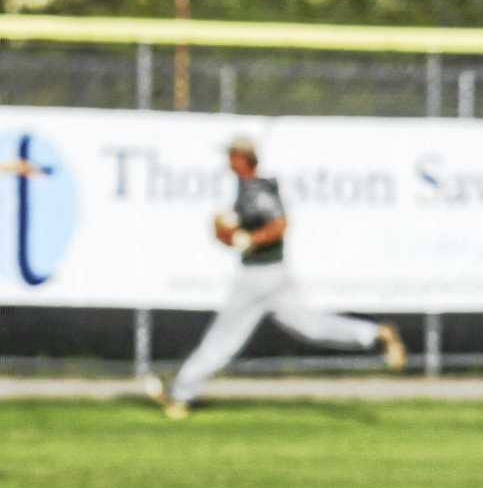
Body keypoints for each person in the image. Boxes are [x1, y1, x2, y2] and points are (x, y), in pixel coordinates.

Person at [143, 135, 404, 420]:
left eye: (231, 156)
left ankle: (180, 395)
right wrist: (229, 235)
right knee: (310, 326)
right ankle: (374, 334)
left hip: (259, 275)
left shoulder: (255, 190)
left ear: (242, 158)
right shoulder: (248, 188)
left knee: (222, 340)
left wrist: (249, 238)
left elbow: (280, 224)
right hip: (274, 274)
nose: (228, 161)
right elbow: (240, 233)